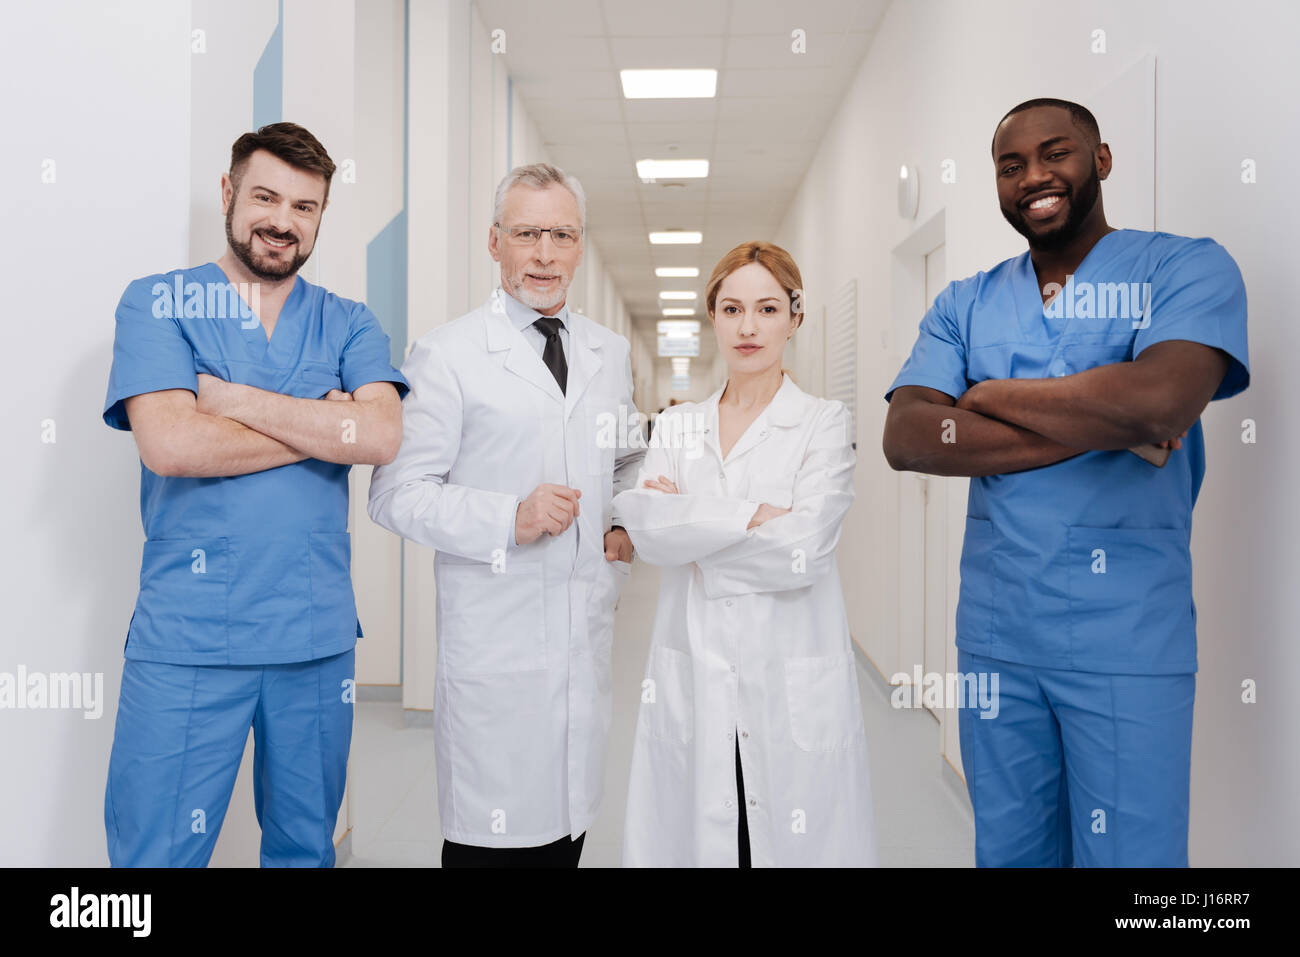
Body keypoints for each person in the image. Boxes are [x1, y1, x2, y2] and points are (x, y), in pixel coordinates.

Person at [883, 98, 1250, 867]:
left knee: (1136, 864)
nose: (1035, 177)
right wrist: (1103, 419)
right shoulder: (966, 302)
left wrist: (985, 395)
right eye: (1011, 166)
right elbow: (912, 436)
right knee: (1010, 851)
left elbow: (1160, 400)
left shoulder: (1184, 267)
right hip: (997, 635)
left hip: (1128, 639)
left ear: (1103, 160)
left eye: (1057, 154)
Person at [102, 122, 408, 867]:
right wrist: (323, 423)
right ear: (228, 193)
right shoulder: (158, 303)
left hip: (313, 635)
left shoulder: (348, 320)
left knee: (306, 845)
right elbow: (171, 446)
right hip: (189, 635)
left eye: (305, 207)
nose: (282, 220)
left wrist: (230, 400)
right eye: (266, 196)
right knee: (155, 855)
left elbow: (381, 438)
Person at [367, 163, 644, 867]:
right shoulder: (448, 353)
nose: (544, 253)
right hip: (496, 648)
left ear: (581, 245)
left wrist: (623, 523)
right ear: (495, 242)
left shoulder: (609, 355)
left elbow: (626, 460)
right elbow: (395, 491)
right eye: (526, 233)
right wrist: (507, 518)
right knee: (493, 847)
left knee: (568, 837)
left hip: (579, 640)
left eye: (561, 234)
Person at [613, 241, 876, 867]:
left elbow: (804, 551)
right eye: (732, 309)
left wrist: (694, 531)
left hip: (788, 677)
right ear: (713, 318)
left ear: (795, 316)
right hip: (695, 674)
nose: (749, 327)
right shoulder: (679, 427)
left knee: (785, 840)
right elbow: (647, 530)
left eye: (766, 308)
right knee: (706, 838)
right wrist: (753, 516)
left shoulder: (824, 423)